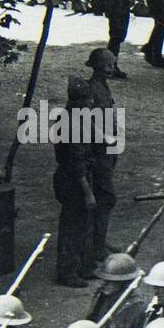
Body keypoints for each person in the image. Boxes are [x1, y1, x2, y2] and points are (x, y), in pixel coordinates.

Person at [53, 76, 96, 288]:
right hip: (74, 181)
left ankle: (79, 267)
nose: (91, 104)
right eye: (88, 100)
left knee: (79, 225)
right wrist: (88, 193)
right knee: (73, 227)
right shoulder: (74, 125)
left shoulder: (69, 118)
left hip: (68, 178)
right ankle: (68, 272)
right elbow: (77, 164)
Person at [84, 48, 120, 270]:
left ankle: (100, 241)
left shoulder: (102, 87)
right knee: (105, 197)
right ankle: (96, 246)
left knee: (105, 197)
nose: (111, 69)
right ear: (96, 66)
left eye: (113, 64)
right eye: (107, 65)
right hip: (99, 152)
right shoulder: (93, 90)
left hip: (107, 150)